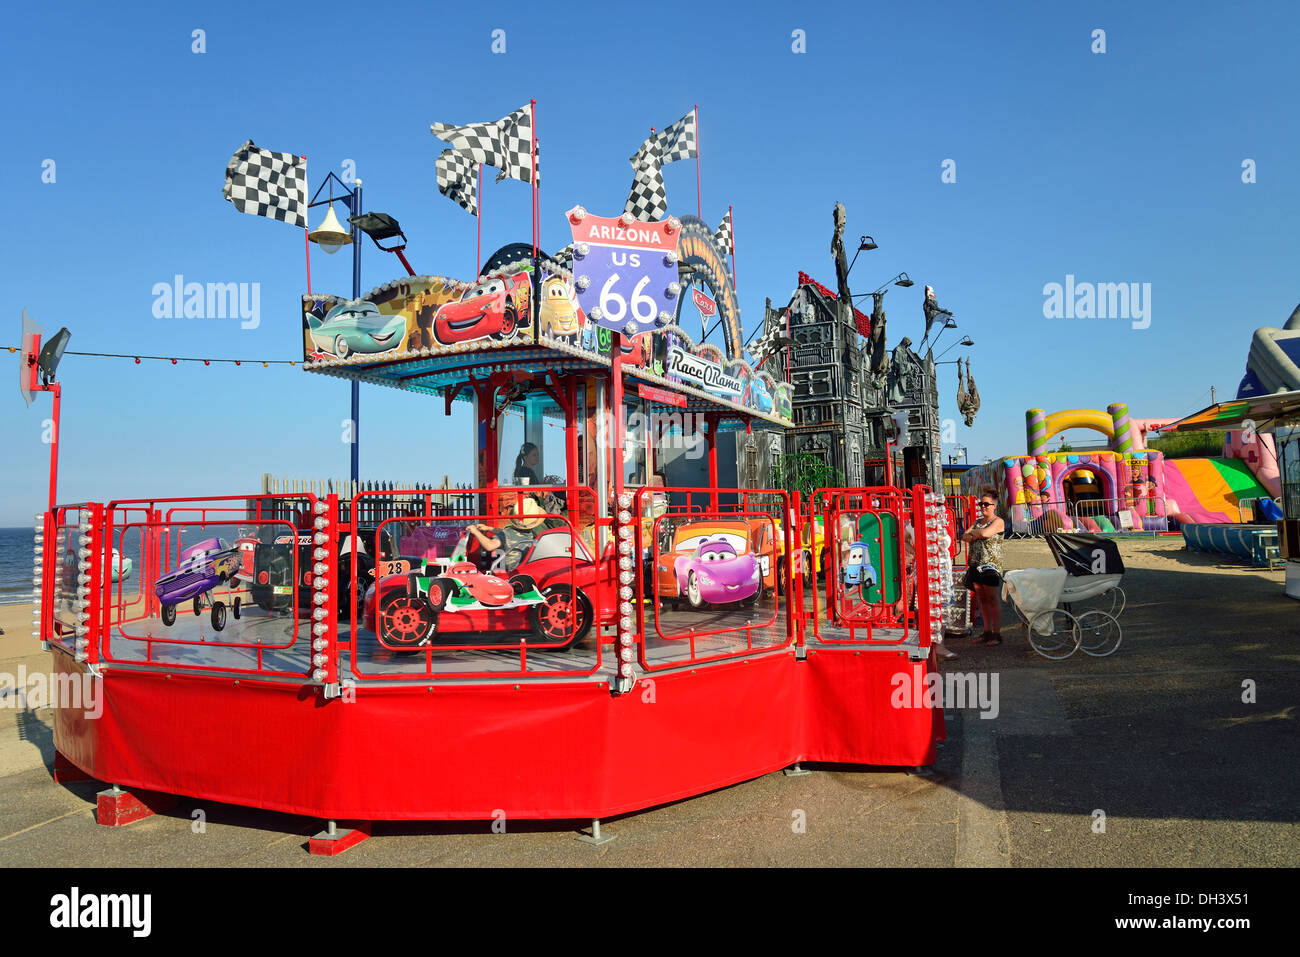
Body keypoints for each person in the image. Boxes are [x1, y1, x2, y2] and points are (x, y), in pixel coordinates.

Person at [962, 489, 1005, 645]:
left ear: (994, 505)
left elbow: (986, 534)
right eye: (981, 504)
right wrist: (976, 533)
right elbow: (964, 537)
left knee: (993, 599)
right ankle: (987, 632)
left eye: (986, 504)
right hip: (975, 564)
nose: (983, 507)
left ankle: (997, 634)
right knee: (982, 600)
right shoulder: (977, 522)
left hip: (991, 566)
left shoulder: (998, 521)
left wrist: (975, 533)